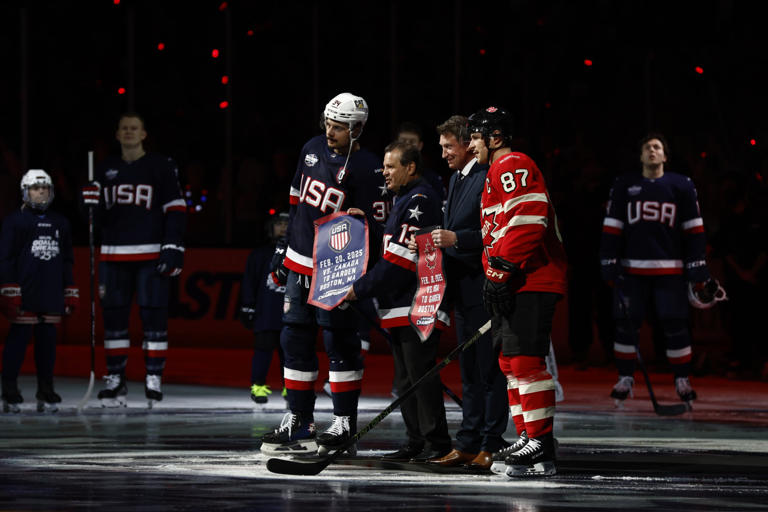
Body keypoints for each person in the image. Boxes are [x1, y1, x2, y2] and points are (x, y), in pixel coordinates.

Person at [260, 92, 390, 456]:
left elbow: (376, 225)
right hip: (300, 261)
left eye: (339, 127)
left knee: (340, 342)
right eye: (328, 124)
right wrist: (283, 250)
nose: (330, 131)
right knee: (294, 339)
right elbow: (294, 200)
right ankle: (299, 419)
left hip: (335, 268)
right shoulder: (311, 147)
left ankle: (344, 420)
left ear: (358, 128)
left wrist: (357, 272)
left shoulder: (369, 167)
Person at [470, 106, 567, 477]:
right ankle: (530, 439)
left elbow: (530, 216)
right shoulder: (495, 171)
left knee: (526, 363)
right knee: (511, 364)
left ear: (495, 138)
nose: (472, 145)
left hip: (532, 278)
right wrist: (496, 274)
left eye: (477, 137)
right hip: (517, 279)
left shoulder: (512, 163)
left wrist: (500, 270)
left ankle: (540, 443)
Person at [343, 141, 452, 462]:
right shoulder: (405, 200)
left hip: (419, 303)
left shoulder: (419, 200)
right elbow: (396, 249)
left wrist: (358, 290)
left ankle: (437, 444)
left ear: (410, 167)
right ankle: (418, 441)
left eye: (390, 167)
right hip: (403, 305)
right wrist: (372, 226)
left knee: (419, 374)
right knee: (407, 377)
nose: (384, 172)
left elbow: (399, 263)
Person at [599, 133, 719, 408]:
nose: (652, 151)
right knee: (626, 326)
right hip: (631, 269)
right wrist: (608, 259)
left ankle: (682, 379)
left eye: (657, 147)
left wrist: (697, 263)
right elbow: (613, 226)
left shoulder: (681, 185)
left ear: (665, 155)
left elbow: (694, 227)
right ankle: (625, 378)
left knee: (675, 325)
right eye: (647, 147)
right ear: (640, 155)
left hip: (670, 269)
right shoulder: (624, 185)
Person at [419, 115, 508, 470]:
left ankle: (492, 442)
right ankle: (469, 442)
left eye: (447, 146)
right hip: (462, 288)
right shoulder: (456, 178)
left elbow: (495, 231)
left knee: (489, 371)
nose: (443, 154)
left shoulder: (487, 176)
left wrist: (458, 239)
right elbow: (452, 227)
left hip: (484, 286)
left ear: (466, 143)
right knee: (469, 370)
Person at [81, 112, 186, 408]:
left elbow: (176, 207)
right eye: (123, 128)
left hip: (151, 253)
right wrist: (87, 202)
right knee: (113, 318)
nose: (128, 132)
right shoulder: (104, 169)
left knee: (153, 317)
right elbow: (95, 218)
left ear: (143, 134)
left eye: (134, 128)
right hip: (113, 254)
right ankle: (115, 379)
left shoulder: (161, 166)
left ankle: (154, 378)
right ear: (117, 135)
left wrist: (173, 247)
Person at [1, 170, 78, 413]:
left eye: (45, 188)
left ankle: (46, 389)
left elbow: (67, 259)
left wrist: (70, 289)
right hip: (25, 291)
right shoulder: (14, 221)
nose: (41, 191)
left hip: (50, 291)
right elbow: (6, 257)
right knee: (19, 340)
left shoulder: (60, 222)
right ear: (25, 191)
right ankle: (9, 390)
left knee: (48, 343)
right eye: (35, 188)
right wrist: (9, 288)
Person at [239, 212, 289, 404]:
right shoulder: (259, 254)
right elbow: (249, 283)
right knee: (262, 351)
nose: (283, 227)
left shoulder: (297, 253)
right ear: (270, 228)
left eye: (287, 223)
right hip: (266, 314)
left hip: (290, 315)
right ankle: (258, 387)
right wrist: (247, 307)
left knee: (291, 355)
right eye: (279, 224)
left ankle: (290, 388)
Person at [395, 121, 446, 201]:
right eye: (403, 141)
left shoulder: (432, 179)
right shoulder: (387, 176)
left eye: (412, 142)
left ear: (420, 146)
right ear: (396, 144)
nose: (407, 145)